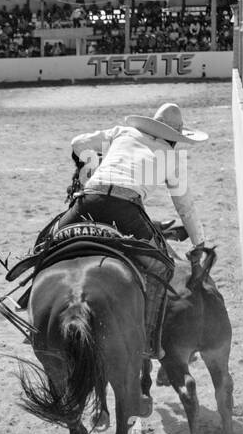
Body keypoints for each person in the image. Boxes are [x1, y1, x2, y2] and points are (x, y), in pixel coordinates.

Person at [61, 103, 210, 411]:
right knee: (162, 266)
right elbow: (185, 207)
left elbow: (77, 142)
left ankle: (25, 300)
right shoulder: (173, 157)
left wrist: (94, 163)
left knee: (51, 243)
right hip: (127, 210)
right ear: (176, 136)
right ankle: (147, 343)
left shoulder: (121, 132)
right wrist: (200, 243)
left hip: (86, 201)